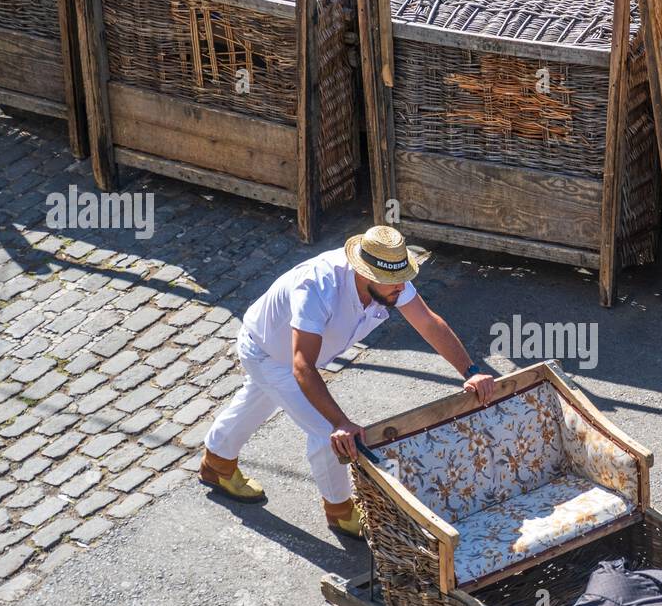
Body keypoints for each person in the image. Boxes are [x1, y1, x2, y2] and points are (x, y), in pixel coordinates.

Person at [198, 225, 495, 537]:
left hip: (292, 354)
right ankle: (339, 511)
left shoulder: (390, 278)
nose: (402, 288)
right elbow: (302, 366)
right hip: (269, 355)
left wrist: (471, 370)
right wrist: (340, 422)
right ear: (366, 275)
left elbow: (428, 323)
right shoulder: (317, 288)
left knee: (258, 399)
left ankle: (217, 461)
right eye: (393, 284)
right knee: (329, 433)